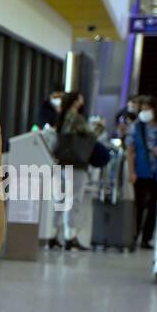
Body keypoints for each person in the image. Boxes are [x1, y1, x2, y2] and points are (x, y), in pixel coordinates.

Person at [125, 96, 157, 249]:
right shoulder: (136, 127)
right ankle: (133, 236)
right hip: (141, 171)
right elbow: (130, 151)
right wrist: (131, 172)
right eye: (142, 109)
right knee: (139, 206)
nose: (144, 112)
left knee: (154, 206)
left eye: (147, 109)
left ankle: (147, 238)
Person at [49, 91, 93, 251]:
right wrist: (99, 126)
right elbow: (91, 134)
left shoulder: (60, 117)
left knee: (58, 201)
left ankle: (52, 236)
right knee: (73, 201)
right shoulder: (77, 118)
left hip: (60, 162)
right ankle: (70, 237)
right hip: (76, 164)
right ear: (76, 101)